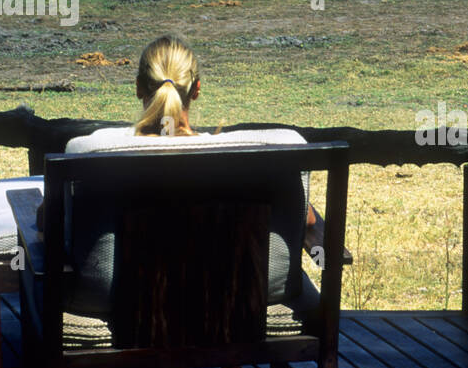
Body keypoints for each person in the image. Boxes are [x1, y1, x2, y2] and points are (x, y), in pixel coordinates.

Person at [129, 33, 329, 250]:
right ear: (196, 90)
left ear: (139, 87)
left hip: (135, 284)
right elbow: (307, 219)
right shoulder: (264, 157)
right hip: (243, 283)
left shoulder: (102, 155)